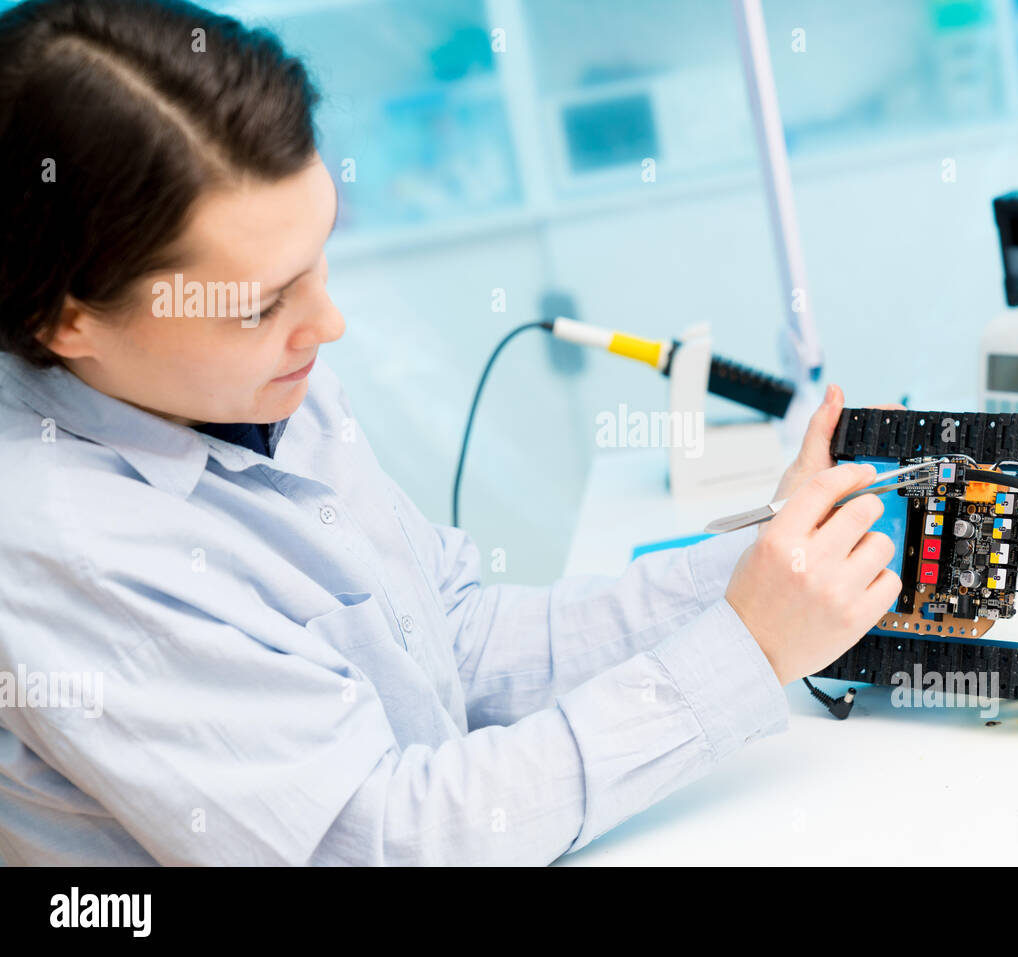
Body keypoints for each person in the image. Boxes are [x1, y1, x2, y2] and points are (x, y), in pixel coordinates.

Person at [0, 0, 900, 865]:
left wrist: (762, 571)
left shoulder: (241, 379)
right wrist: (744, 651)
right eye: (262, 304)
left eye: (319, 259)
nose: (328, 323)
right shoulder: (64, 552)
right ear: (64, 321)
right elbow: (391, 842)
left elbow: (455, 639)